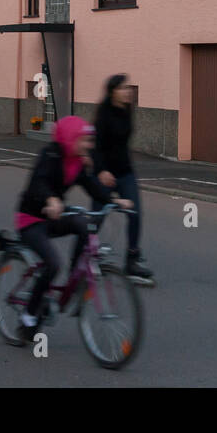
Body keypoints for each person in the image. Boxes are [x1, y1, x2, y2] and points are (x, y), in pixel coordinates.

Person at [15, 115, 129, 339]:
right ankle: (28, 317)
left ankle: (74, 277)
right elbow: (39, 182)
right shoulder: (50, 155)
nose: (88, 145)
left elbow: (93, 188)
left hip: (53, 217)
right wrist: (50, 199)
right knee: (51, 264)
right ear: (70, 138)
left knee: (83, 223)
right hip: (31, 220)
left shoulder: (76, 162)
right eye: (84, 140)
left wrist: (115, 201)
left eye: (89, 140)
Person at [92, 74, 154, 284]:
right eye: (123, 88)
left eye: (129, 88)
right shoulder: (103, 115)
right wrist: (101, 171)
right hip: (104, 173)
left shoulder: (127, 111)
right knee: (97, 215)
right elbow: (95, 146)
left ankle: (132, 260)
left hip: (125, 171)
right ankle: (86, 255)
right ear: (113, 91)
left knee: (135, 213)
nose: (128, 91)